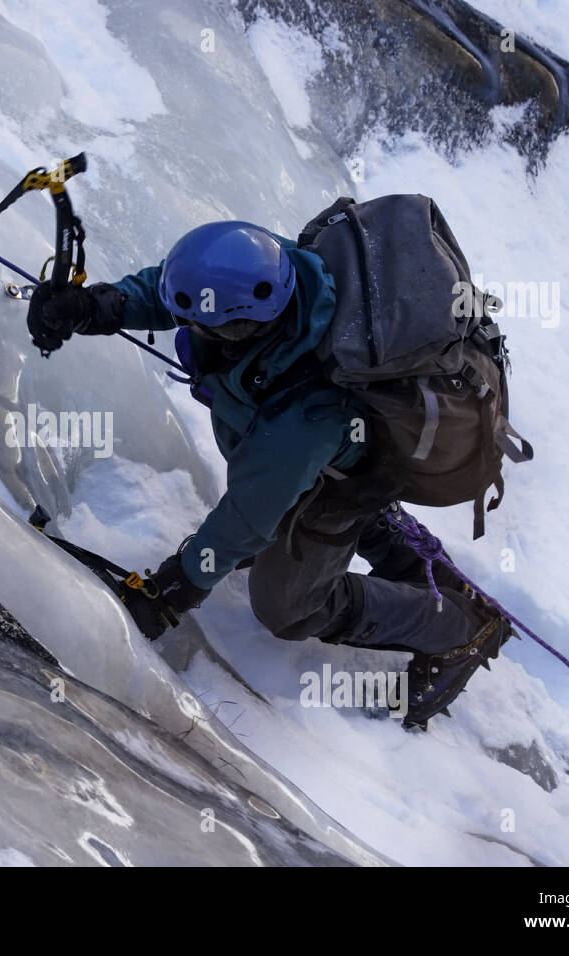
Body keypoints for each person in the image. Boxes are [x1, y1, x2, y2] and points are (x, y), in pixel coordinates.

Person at [26, 220, 513, 727]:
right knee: (302, 496)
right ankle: (397, 546)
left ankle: (461, 628)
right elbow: (181, 293)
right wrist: (97, 307)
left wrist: (174, 590)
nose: (187, 326)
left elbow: (247, 517)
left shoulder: (306, 411)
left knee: (290, 608)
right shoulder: (275, 269)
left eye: (202, 323)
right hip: (334, 457)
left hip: (335, 479)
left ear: (239, 327)